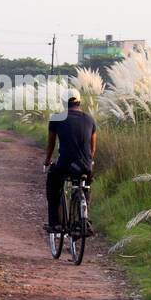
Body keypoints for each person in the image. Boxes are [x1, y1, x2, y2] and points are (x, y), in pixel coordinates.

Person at [43, 87, 96, 232]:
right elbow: (92, 149)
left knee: (54, 186)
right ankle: (84, 219)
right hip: (86, 165)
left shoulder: (56, 118)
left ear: (64, 103)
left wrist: (47, 160)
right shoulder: (90, 119)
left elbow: (51, 144)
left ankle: (57, 223)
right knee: (86, 186)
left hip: (65, 165)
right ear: (79, 102)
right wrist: (90, 161)